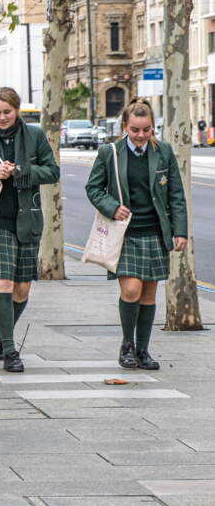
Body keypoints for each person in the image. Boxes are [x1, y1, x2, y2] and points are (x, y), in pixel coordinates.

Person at [0, 87, 60, 372]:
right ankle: (10, 349)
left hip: (27, 220)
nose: (2, 117)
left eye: (7, 112)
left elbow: (52, 171)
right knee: (2, 283)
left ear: (16, 111)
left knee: (21, 289)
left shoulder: (35, 136)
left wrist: (19, 171)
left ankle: (0, 335)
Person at [85, 98, 187, 370]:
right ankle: (126, 345)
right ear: (125, 128)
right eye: (135, 130)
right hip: (125, 234)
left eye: (147, 130)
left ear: (153, 128)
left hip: (155, 232)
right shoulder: (111, 153)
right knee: (131, 291)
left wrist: (180, 231)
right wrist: (112, 207)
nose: (141, 136)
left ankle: (143, 350)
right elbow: (93, 188)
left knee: (149, 295)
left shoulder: (163, 152)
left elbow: (176, 195)